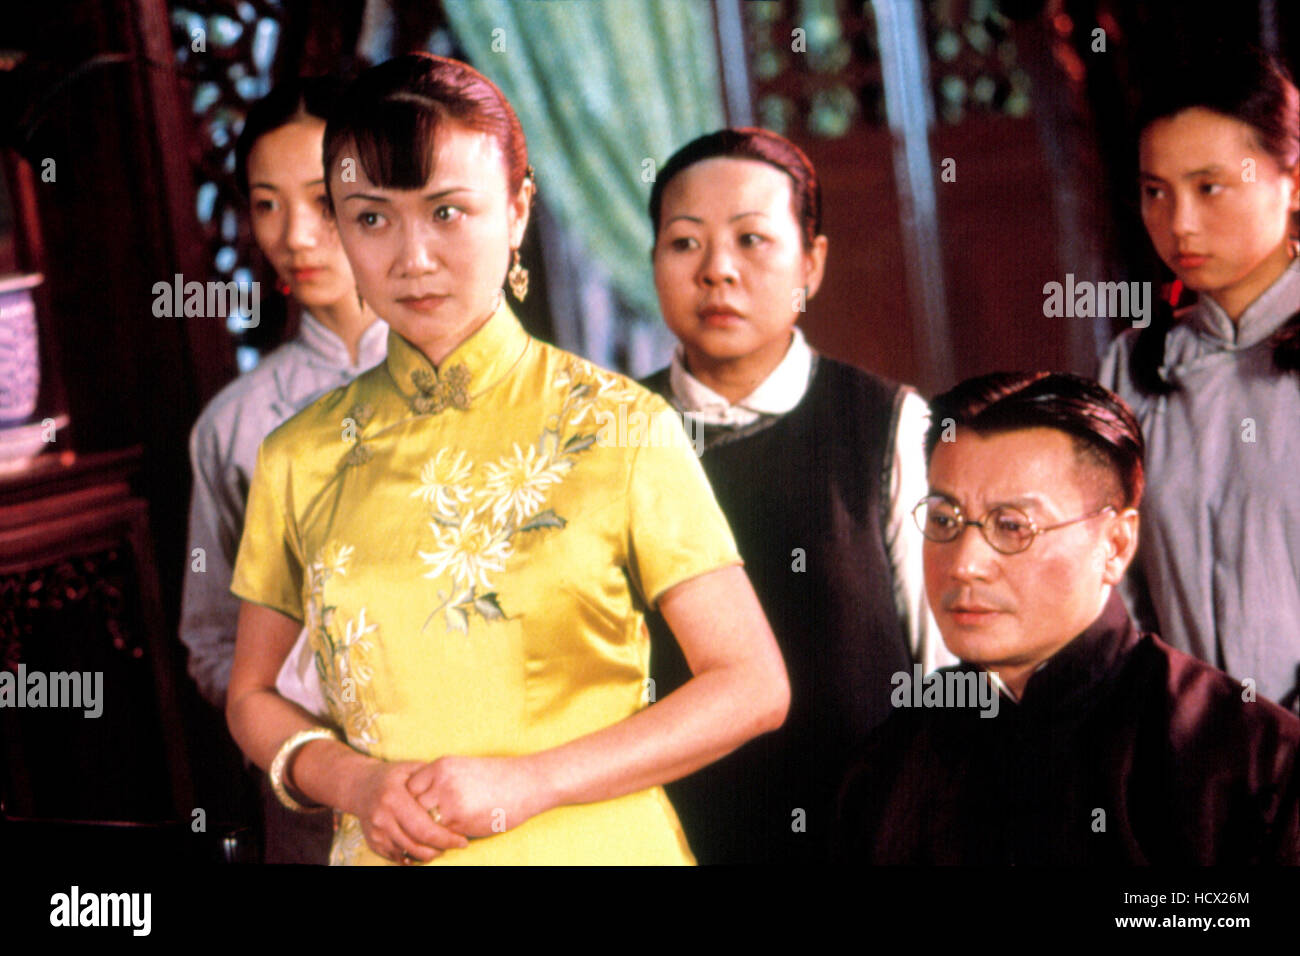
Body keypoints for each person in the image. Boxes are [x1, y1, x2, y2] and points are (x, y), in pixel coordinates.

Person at [225, 53, 790, 866]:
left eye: (448, 212)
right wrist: (353, 783)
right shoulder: (297, 454)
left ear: (518, 211)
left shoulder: (624, 426)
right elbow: (251, 694)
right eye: (372, 217)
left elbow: (752, 685)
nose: (413, 257)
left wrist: (536, 781)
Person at [838, 372, 1300, 864]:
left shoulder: (1248, 758)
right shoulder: (889, 765)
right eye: (944, 520)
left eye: (1012, 525)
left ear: (1116, 545)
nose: (964, 563)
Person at [639, 127, 947, 863]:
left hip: (874, 839)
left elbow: (945, 666)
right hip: (674, 842)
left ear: (812, 262)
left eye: (753, 240)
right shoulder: (613, 434)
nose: (718, 271)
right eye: (685, 243)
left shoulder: (885, 422)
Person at [179, 76, 386, 863]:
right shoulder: (235, 427)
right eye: (267, 203)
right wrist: (314, 745)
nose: (295, 234)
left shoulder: (480, 386)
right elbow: (209, 638)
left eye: (323, 199)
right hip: (316, 806)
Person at [1098, 46, 1300, 713]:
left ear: (1293, 182)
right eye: (1156, 191)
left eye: (1209, 186)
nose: (1179, 222)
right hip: (1196, 764)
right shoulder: (1134, 366)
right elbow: (1120, 589)